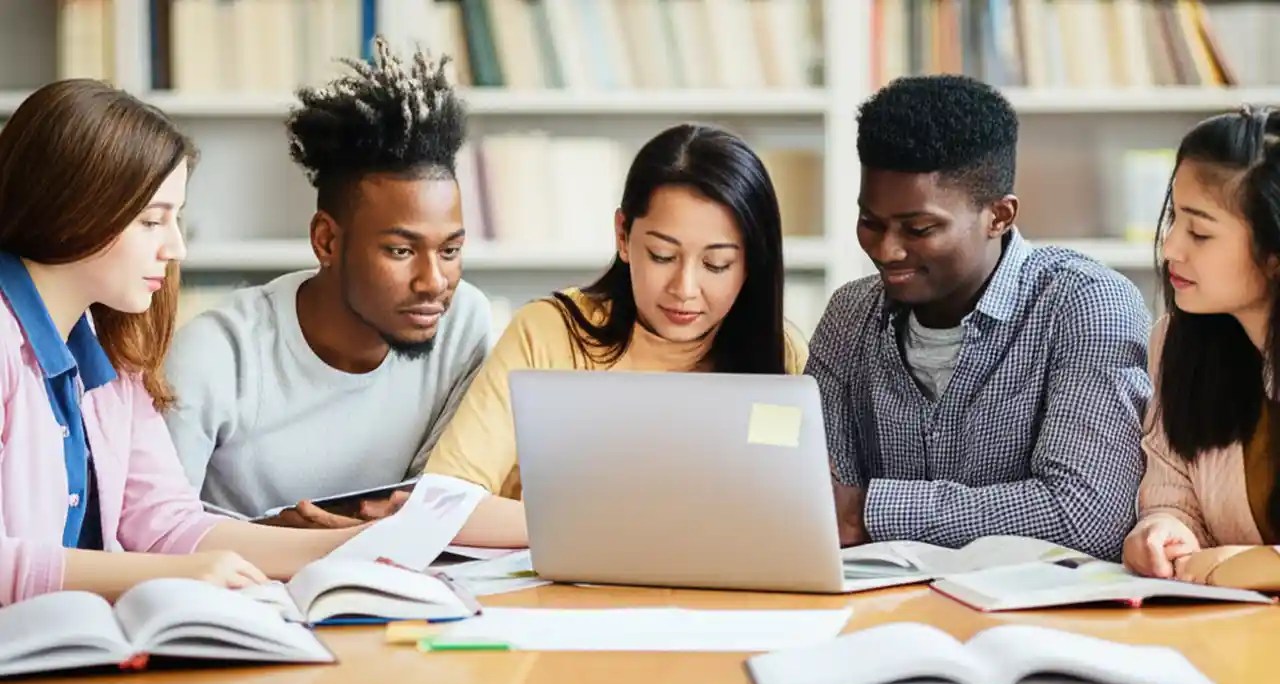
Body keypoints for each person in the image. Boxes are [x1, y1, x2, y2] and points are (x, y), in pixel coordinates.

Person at [0, 79, 369, 606]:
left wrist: (353, 547)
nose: (176, 247)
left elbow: (166, 524)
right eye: (152, 220)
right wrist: (163, 575)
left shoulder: (107, 347)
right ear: (72, 209)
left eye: (176, 218)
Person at [809, 75, 1152, 561]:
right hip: (876, 602)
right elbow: (815, 503)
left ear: (1000, 216)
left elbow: (1086, 517)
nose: (886, 250)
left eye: (919, 229)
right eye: (871, 222)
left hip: (1037, 608)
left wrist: (868, 511)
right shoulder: (849, 315)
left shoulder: (1088, 305)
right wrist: (845, 513)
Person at [420, 123, 810, 547]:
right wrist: (623, 527)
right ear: (623, 236)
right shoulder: (549, 333)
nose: (684, 288)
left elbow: (793, 511)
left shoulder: (779, 353)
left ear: (752, 262)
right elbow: (442, 505)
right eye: (662, 255)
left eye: (716, 265)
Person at [163, 38, 492, 528]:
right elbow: (151, 536)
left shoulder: (463, 324)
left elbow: (444, 503)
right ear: (326, 241)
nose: (433, 282)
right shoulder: (218, 354)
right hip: (241, 576)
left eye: (450, 251)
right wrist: (284, 539)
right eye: (400, 251)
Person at [1123, 107, 1280, 584]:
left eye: (1200, 232)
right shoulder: (1179, 342)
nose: (1170, 246)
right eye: (1174, 217)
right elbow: (1173, 489)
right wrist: (1165, 529)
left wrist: (1254, 566)